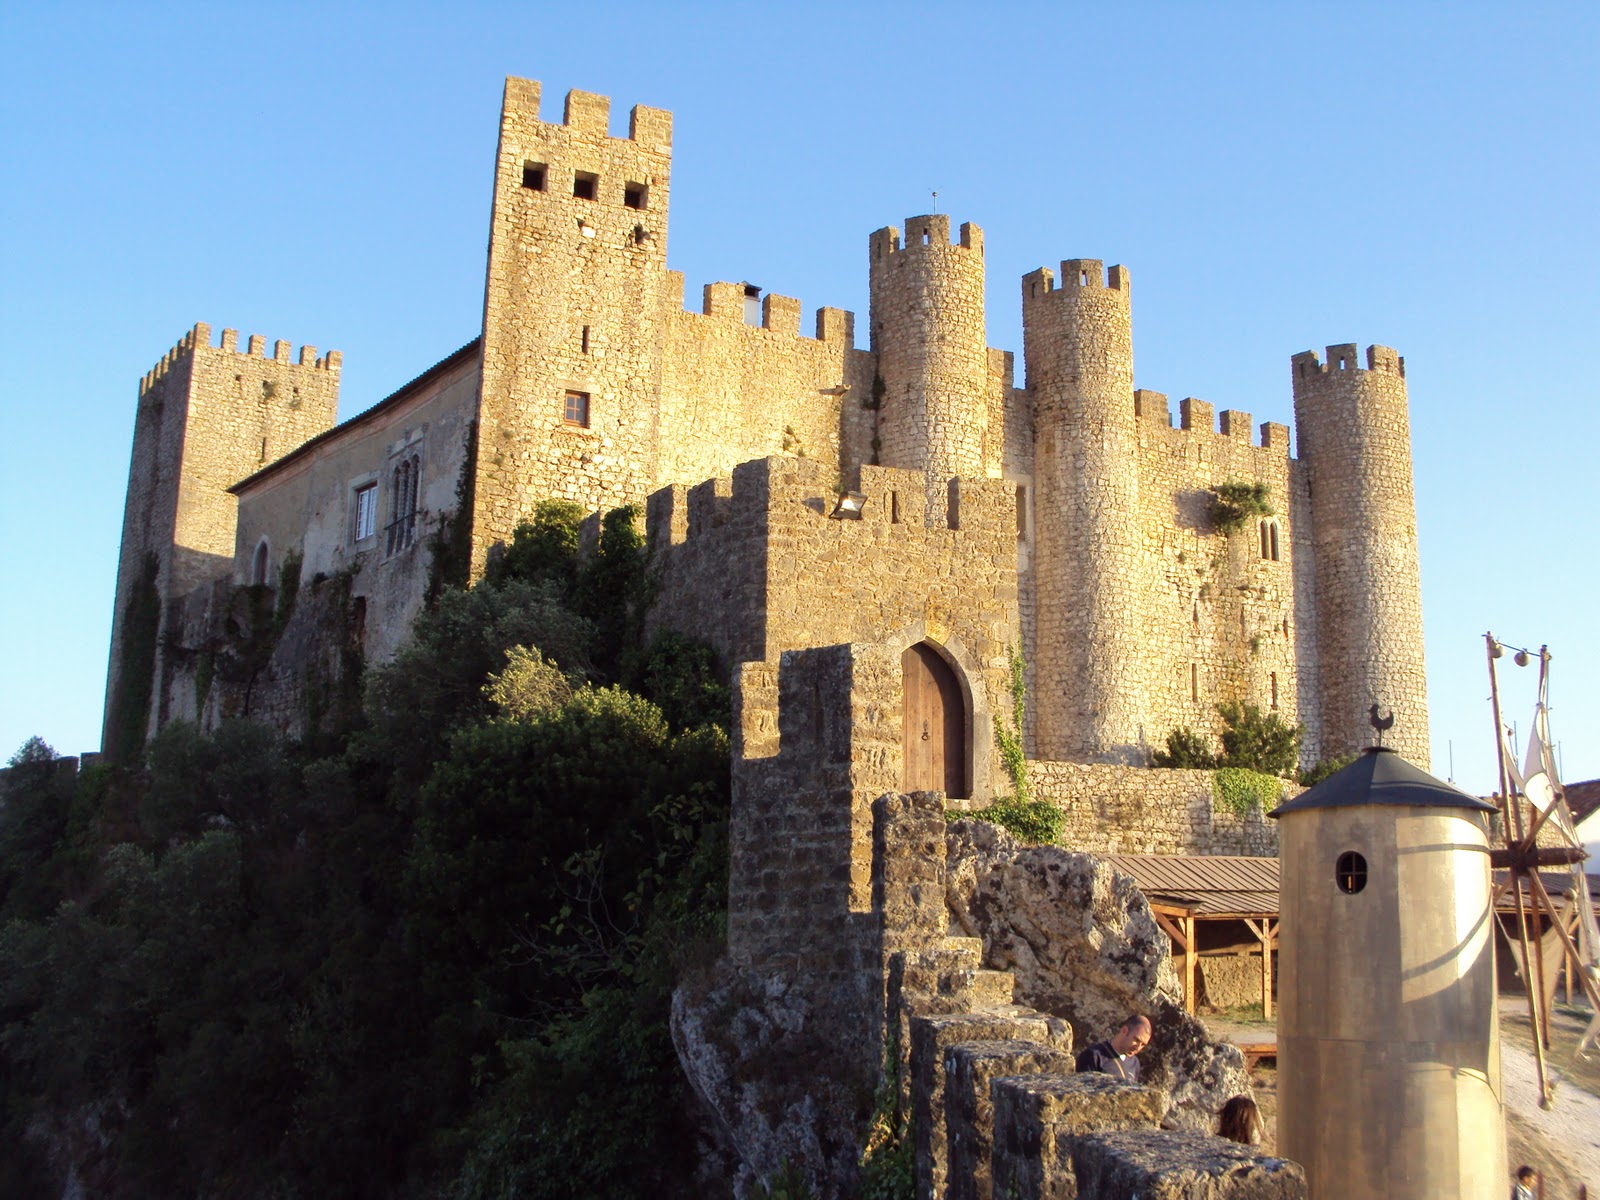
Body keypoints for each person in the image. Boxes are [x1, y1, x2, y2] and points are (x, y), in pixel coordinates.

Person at [1074, 1014, 1151, 1083]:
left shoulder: (1134, 1063)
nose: (1138, 1047)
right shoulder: (1093, 1056)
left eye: (1143, 1044)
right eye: (1136, 1040)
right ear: (1124, 1031)